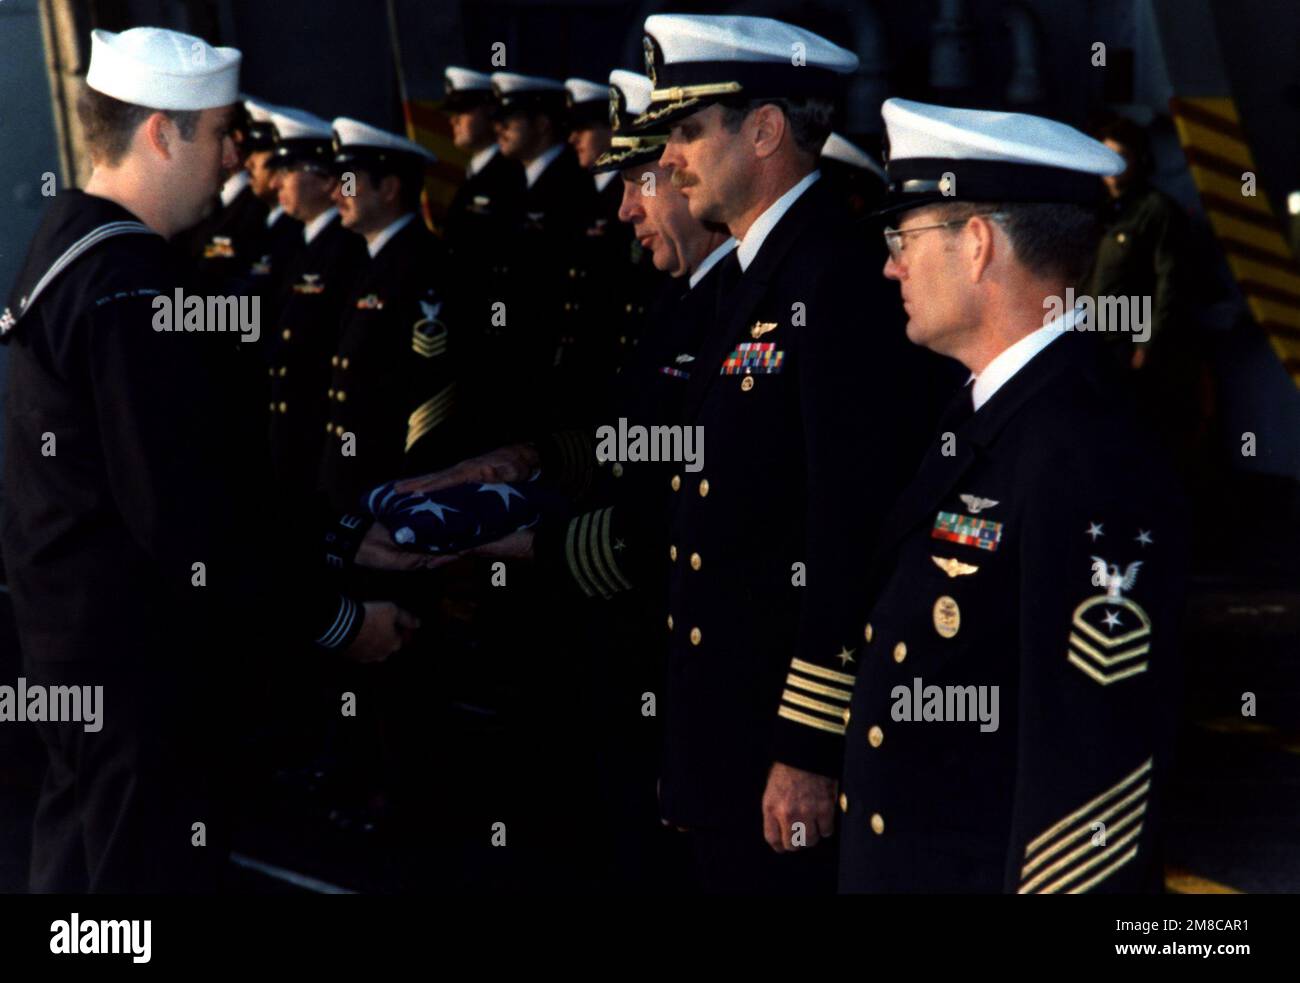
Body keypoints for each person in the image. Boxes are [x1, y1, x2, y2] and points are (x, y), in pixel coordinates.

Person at [0, 27, 415, 893]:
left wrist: (342, 533)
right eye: (223, 132)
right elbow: (186, 516)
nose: (235, 159)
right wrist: (342, 620)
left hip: (79, 658)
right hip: (139, 675)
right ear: (162, 132)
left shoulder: (76, 252)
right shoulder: (131, 285)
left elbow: (199, 477)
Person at [628, 13, 950, 893]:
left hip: (778, 742)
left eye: (690, 130)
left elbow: (852, 529)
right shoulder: (749, 278)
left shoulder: (835, 279)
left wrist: (808, 746)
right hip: (727, 726)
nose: (674, 158)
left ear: (764, 130)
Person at [837, 98, 1188, 893]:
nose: (891, 263)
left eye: (906, 236)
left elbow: (1092, 760)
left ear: (978, 244)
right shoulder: (985, 413)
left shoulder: (1086, 451)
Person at [320, 117, 457, 513]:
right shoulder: (373, 262)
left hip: (389, 486)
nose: (335, 193)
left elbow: (430, 391)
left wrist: (413, 489)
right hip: (352, 479)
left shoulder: (423, 265)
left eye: (347, 183)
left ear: (391, 188)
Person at [266, 107, 368, 495]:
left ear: (324, 179)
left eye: (289, 170)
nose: (277, 181)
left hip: (321, 431)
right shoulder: (300, 243)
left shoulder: (345, 249)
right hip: (292, 433)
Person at [1087, 114, 1188, 372]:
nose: (1111, 165)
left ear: (1139, 160)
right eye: (1106, 155)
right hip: (1089, 337)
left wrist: (1147, 344)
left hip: (1126, 342)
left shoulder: (1156, 210)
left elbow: (1170, 282)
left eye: (1121, 156)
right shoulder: (1096, 210)